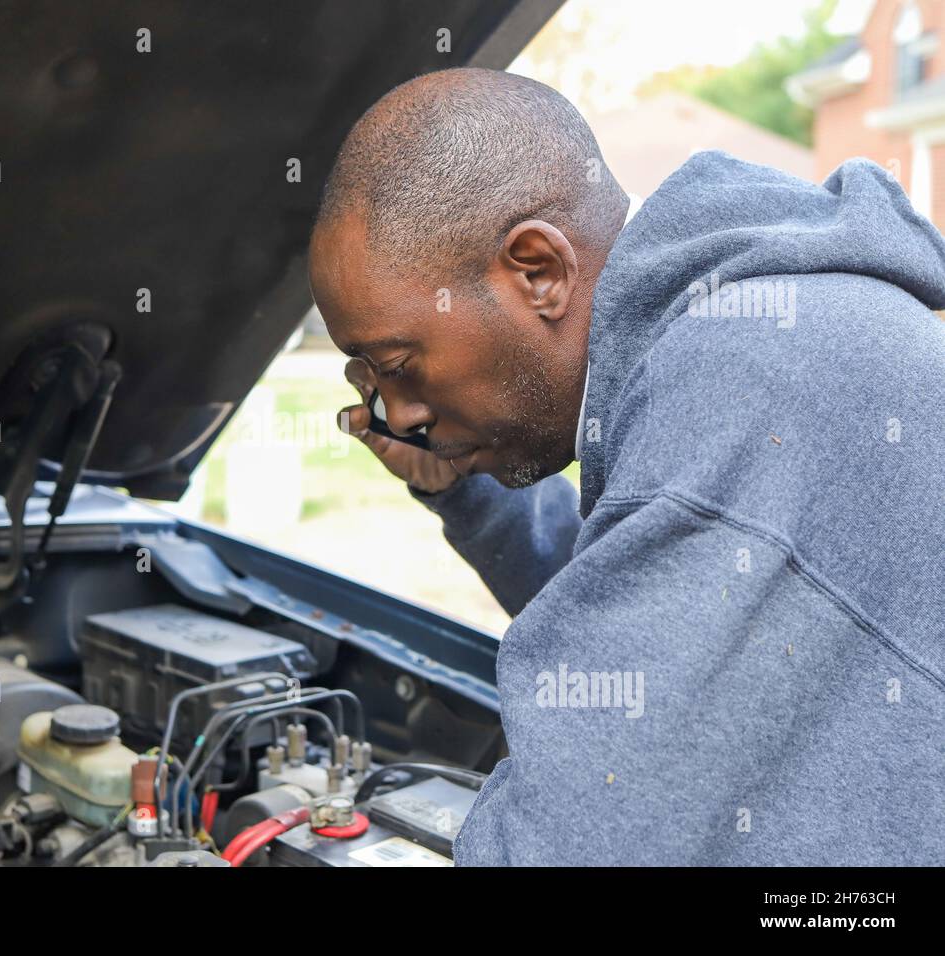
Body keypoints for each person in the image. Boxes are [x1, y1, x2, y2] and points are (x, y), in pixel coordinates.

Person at [309, 67, 945, 865]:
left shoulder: (746, 379)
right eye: (366, 377)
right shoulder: (727, 330)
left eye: (399, 363)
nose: (396, 414)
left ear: (538, 269)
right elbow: (637, 626)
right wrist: (468, 491)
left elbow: (573, 843)